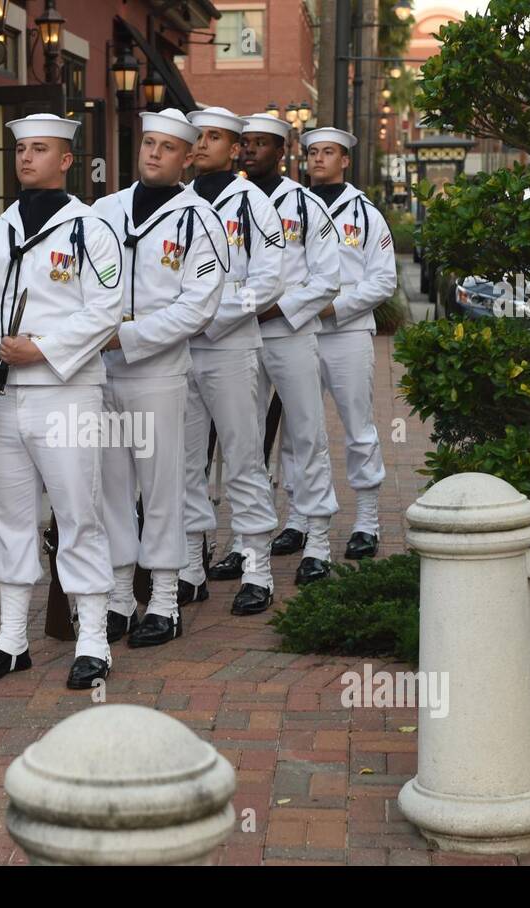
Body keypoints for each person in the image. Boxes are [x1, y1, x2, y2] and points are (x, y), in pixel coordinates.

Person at [0, 112, 124, 689]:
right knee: (8, 518)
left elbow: (106, 309)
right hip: (3, 398)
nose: (27, 158)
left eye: (40, 149)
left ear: (66, 160)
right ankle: (11, 639)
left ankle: (94, 637)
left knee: (79, 512)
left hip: (67, 391)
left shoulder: (90, 229)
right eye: (22, 149)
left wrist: (43, 349)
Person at [91, 107, 228, 648]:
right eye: (148, 143)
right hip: (99, 376)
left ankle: (166, 599)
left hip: (158, 374)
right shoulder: (103, 211)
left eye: (167, 147)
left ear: (188, 157)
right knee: (112, 489)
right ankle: (121, 597)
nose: (153, 153)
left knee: (163, 488)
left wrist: (125, 335)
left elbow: (199, 307)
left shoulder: (201, 221)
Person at [209, 112, 341, 587]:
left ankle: (318, 539)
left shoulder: (304, 205)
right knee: (242, 443)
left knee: (305, 434)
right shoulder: (221, 203)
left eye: (260, 144)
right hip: (236, 335)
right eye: (243, 143)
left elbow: (328, 280)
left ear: (281, 152)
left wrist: (275, 309)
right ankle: (246, 544)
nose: (248, 151)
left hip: (287, 331)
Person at [180, 106, 284, 616]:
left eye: (213, 137)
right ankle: (191, 564)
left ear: (235, 147)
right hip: (178, 348)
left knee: (243, 459)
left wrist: (213, 316)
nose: (200, 144)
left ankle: (257, 567)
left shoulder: (253, 204)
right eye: (195, 136)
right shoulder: (176, 203)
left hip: (229, 344)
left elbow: (270, 279)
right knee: (186, 460)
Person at [299, 126, 397, 560]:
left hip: (348, 333)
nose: (318, 159)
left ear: (345, 161)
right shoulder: (288, 209)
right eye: (312, 152)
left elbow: (384, 281)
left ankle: (366, 520)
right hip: (297, 333)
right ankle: (299, 520)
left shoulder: (367, 215)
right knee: (300, 433)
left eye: (328, 152)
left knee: (358, 429)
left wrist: (333, 307)